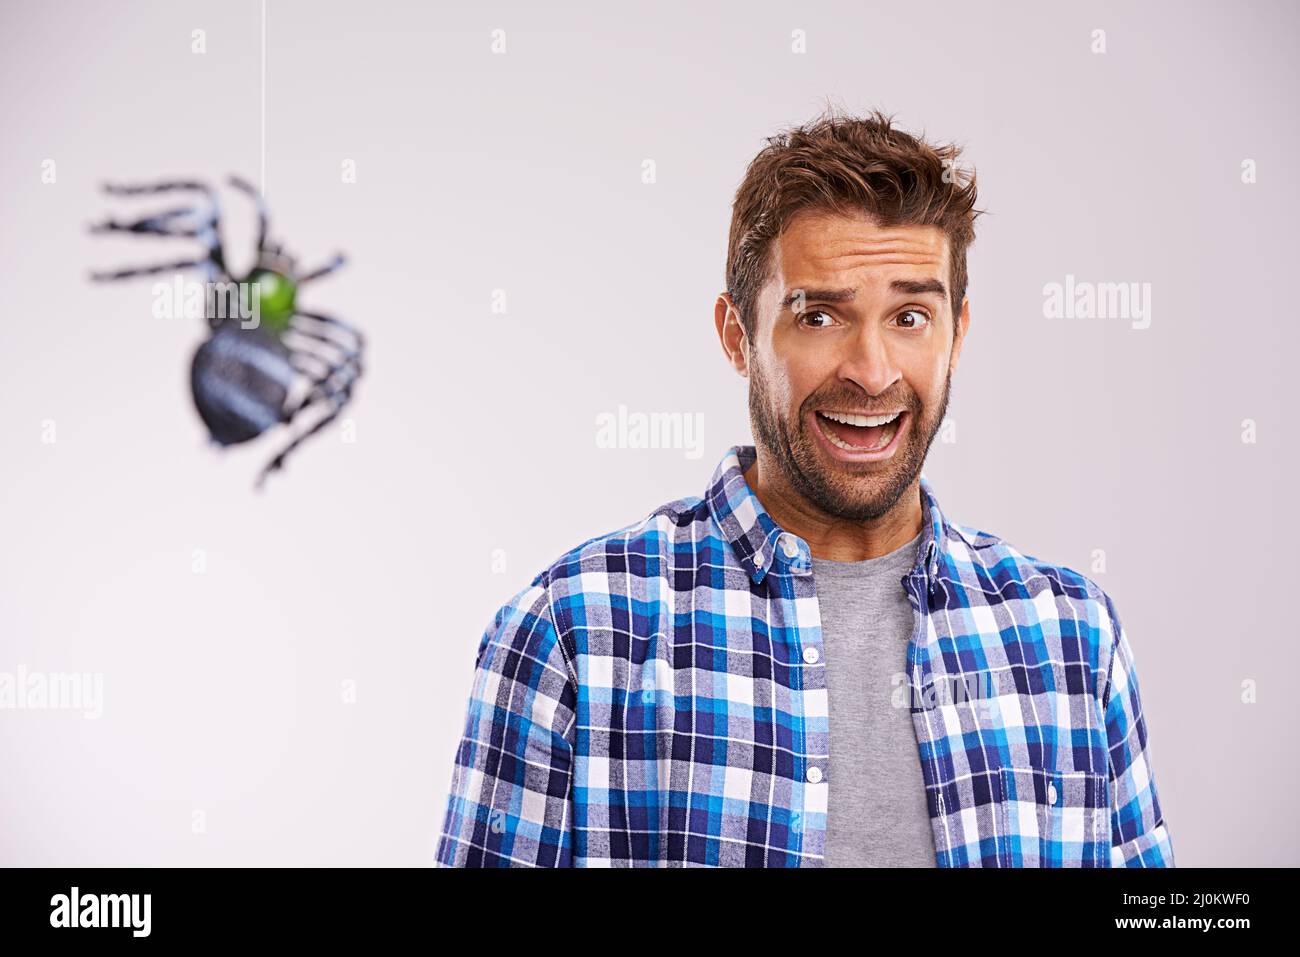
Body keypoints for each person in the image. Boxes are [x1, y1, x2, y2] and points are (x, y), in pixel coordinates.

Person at [435, 107, 1174, 868]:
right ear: (736, 336)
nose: (873, 370)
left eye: (911, 316)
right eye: (820, 315)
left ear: (959, 333)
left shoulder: (1072, 639)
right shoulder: (575, 634)